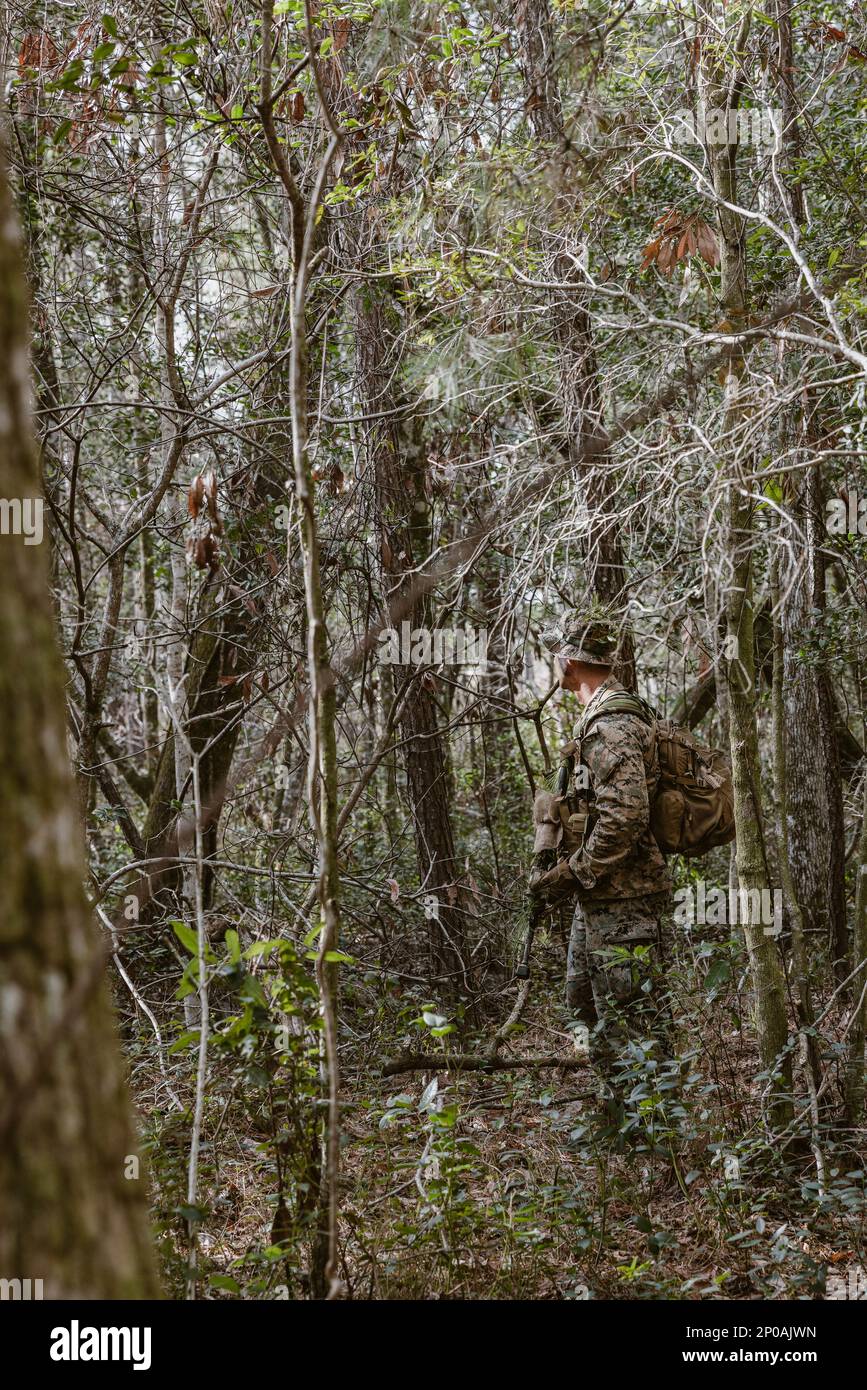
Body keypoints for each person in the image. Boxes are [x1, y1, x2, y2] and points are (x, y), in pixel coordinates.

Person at [529, 612, 674, 1108]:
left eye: (556, 655)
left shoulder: (611, 724)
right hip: (601, 897)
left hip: (624, 898)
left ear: (569, 661)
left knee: (635, 1017)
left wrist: (577, 872)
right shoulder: (601, 715)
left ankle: (657, 1134)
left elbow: (626, 814)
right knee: (586, 1004)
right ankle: (617, 1115)